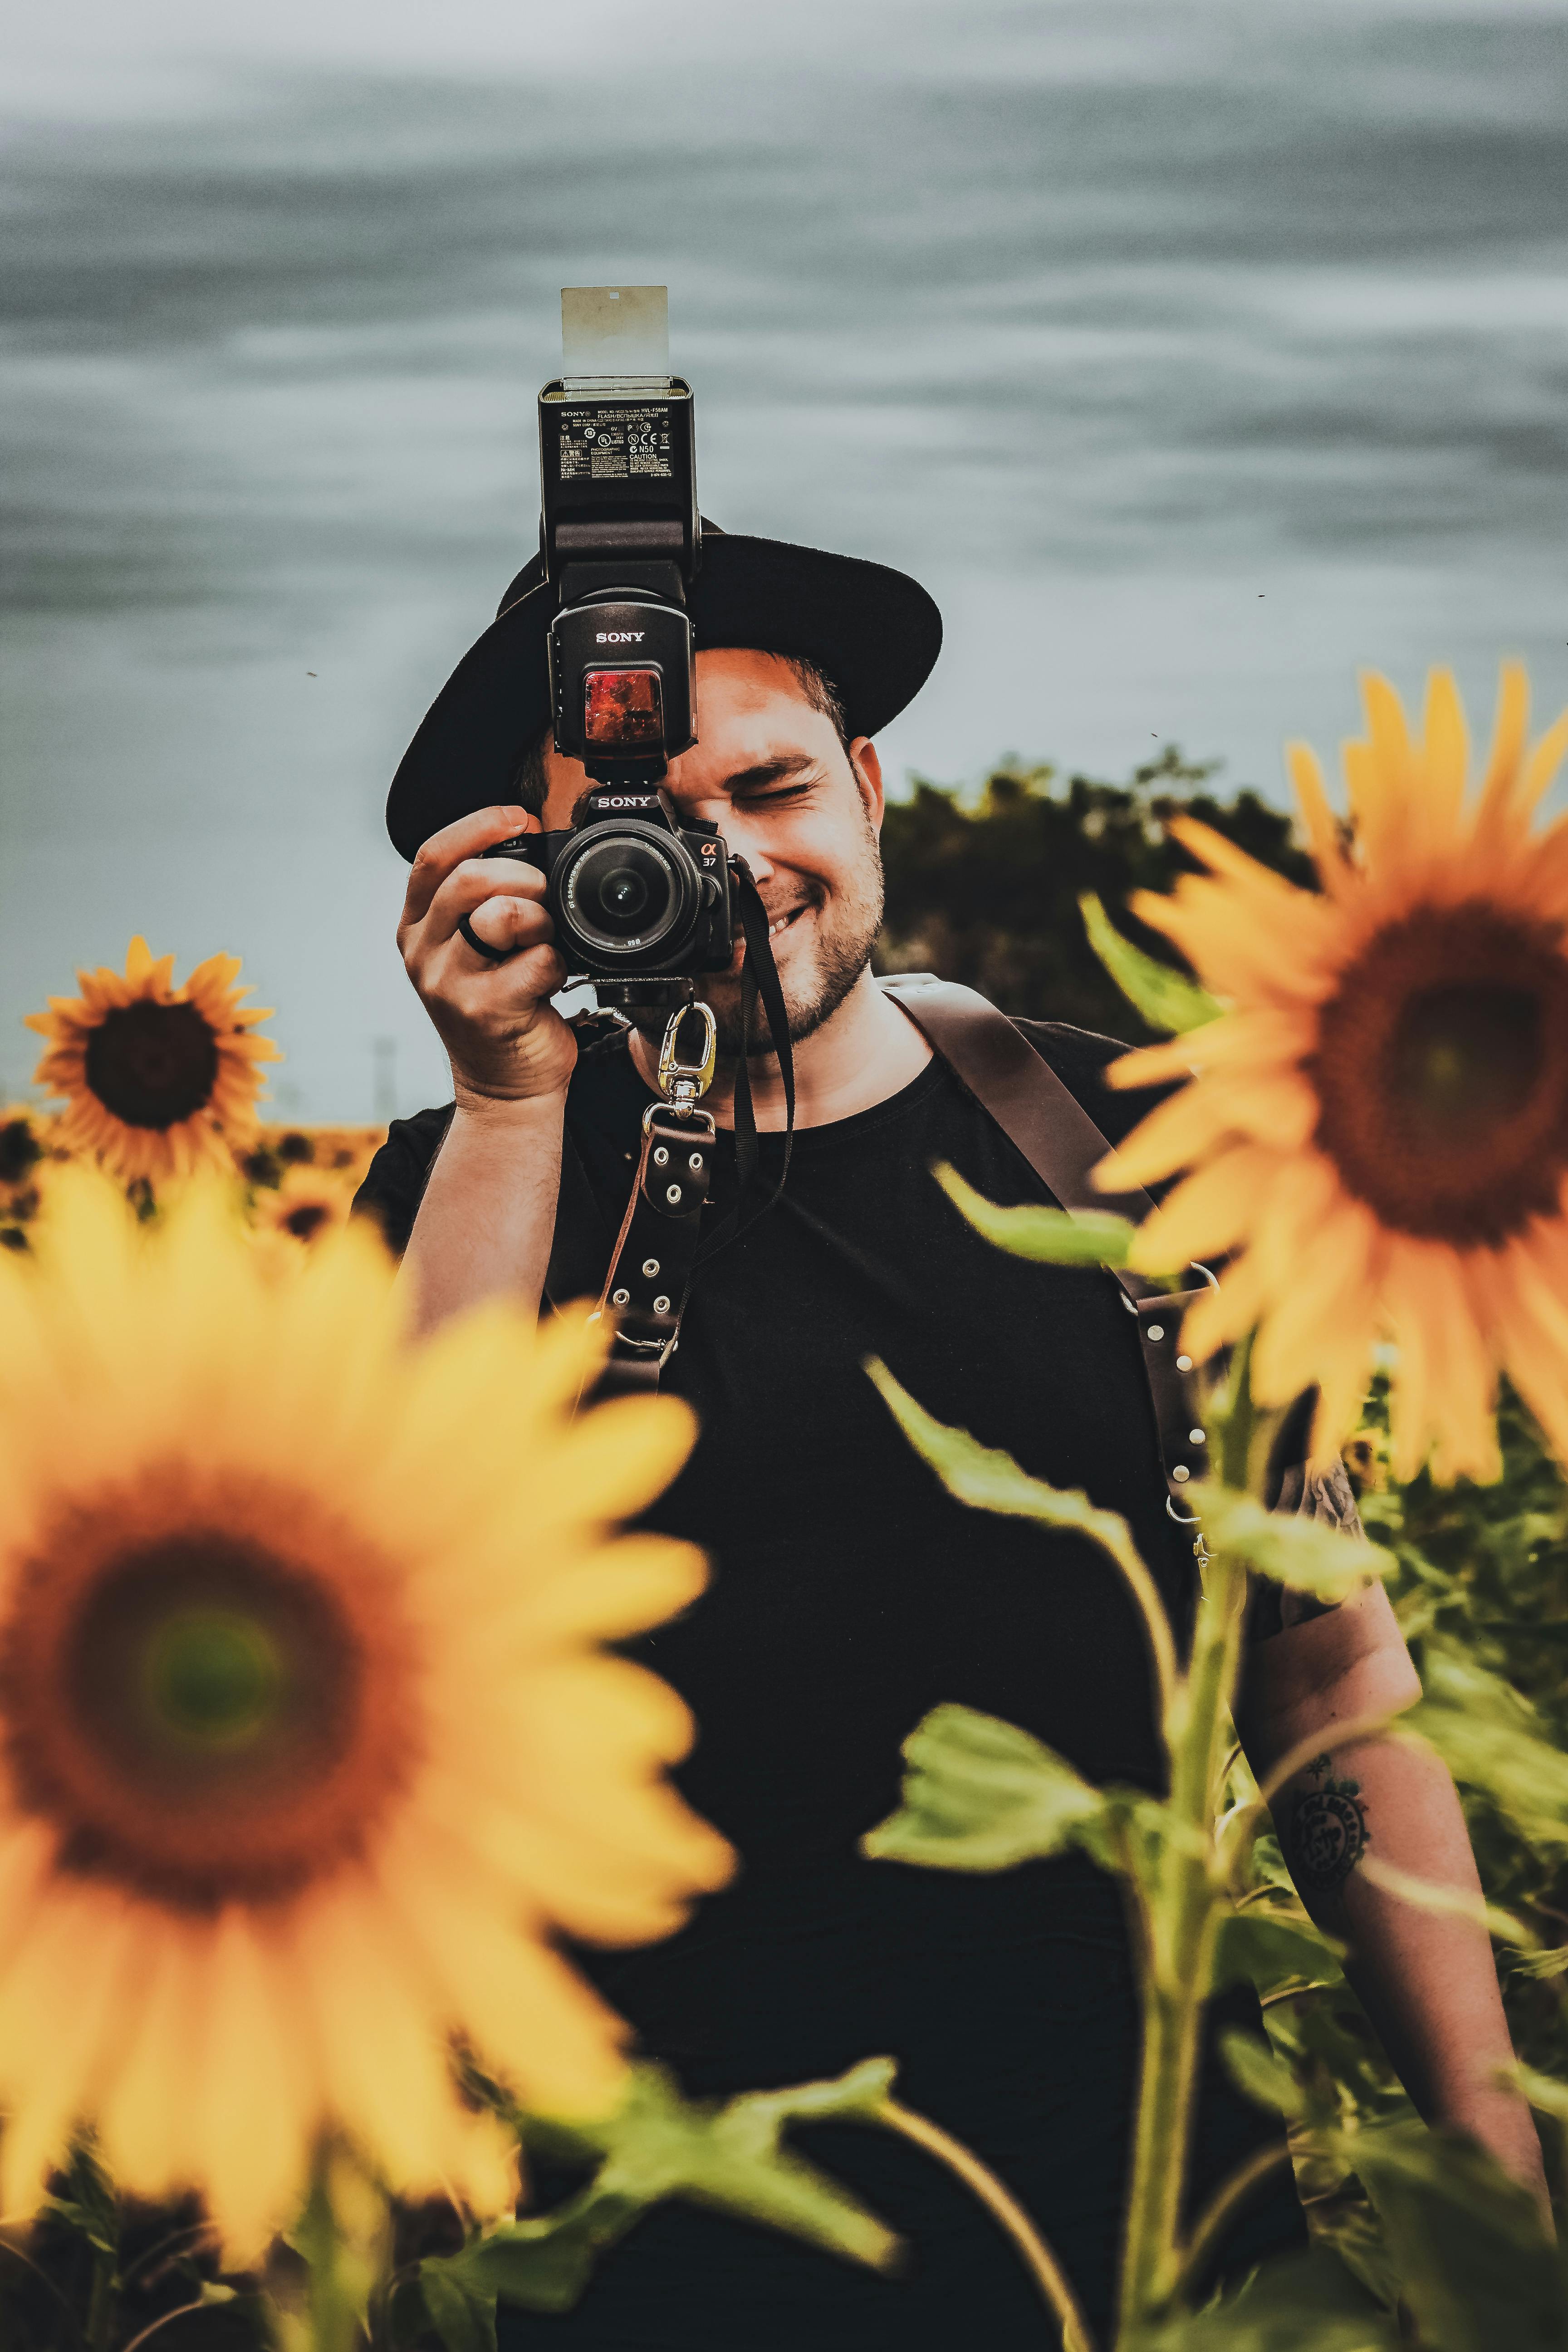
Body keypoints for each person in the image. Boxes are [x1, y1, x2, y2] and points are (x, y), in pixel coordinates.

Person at [358, 529, 1541, 2349]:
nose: (739, 864)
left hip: (1153, 2224)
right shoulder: (487, 1186)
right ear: (550, 876)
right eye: (656, 834)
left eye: (773, 786)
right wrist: (505, 1105)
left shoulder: (1138, 1144)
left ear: (872, 788)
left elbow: (1321, 1673)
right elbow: (393, 1635)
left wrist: (1484, 2151)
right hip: (660, 2229)